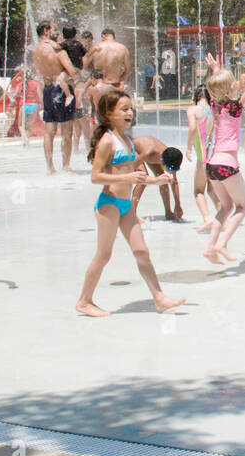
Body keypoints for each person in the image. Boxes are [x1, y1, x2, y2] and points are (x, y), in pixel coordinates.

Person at [74, 90, 185, 317]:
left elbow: (132, 172)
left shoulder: (127, 140)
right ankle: (84, 301)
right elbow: (96, 177)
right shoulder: (107, 141)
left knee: (142, 251)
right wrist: (126, 178)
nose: (129, 112)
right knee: (104, 255)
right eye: (123, 109)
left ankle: (159, 298)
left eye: (130, 108)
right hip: (109, 204)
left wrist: (156, 180)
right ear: (108, 113)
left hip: (125, 206)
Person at [201, 55, 245, 263]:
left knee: (225, 207)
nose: (236, 84)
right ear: (229, 89)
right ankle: (222, 243)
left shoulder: (216, 106)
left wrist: (215, 69)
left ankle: (209, 248)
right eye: (233, 82)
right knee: (242, 206)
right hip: (227, 164)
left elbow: (218, 86)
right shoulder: (234, 107)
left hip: (212, 165)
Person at [33, 21, 79, 174]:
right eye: (52, 28)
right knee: (67, 130)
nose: (55, 31)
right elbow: (72, 71)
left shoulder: (36, 50)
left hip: (47, 88)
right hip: (60, 89)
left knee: (49, 130)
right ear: (46, 30)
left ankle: (50, 167)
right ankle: (66, 166)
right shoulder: (56, 48)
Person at [186, 84, 220, 234]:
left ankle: (207, 219)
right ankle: (223, 218)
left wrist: (187, 148)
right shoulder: (214, 111)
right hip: (215, 156)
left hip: (203, 158)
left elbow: (193, 128)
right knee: (212, 189)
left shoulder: (193, 110)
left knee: (198, 191)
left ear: (194, 97)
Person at [132, 134, 184, 221]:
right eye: (170, 169)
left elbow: (174, 182)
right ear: (162, 161)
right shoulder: (149, 152)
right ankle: (132, 215)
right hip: (134, 149)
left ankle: (168, 212)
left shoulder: (171, 157)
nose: (171, 172)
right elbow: (131, 167)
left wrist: (178, 204)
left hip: (152, 154)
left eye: (174, 170)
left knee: (163, 179)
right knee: (142, 179)